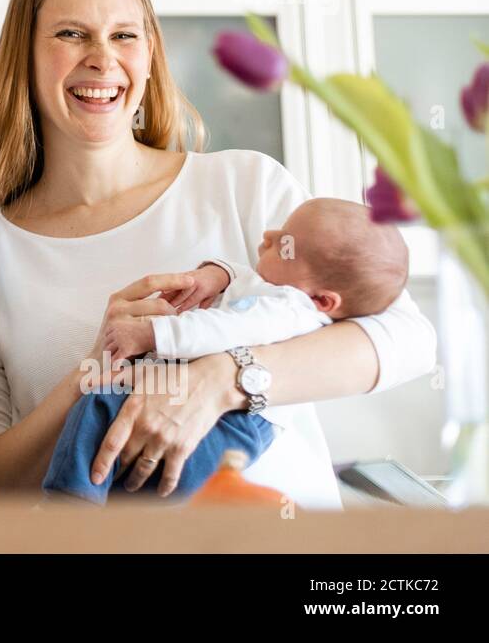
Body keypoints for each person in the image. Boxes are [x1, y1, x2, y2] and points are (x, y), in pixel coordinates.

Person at [0, 0, 437, 509]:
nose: (102, 57)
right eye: (71, 34)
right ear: (24, 54)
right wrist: (94, 372)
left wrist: (223, 378)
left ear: (149, 54)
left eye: (124, 35)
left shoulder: (243, 186)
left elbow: (410, 340)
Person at [46, 197, 411, 504]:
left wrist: (149, 334)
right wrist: (216, 273)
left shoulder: (287, 308)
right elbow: (241, 278)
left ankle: (70, 503)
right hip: (230, 428)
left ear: (321, 299)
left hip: (233, 426)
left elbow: (221, 329)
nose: (268, 235)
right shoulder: (286, 294)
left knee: (103, 403)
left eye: (285, 242)